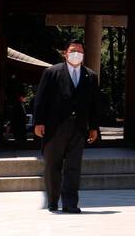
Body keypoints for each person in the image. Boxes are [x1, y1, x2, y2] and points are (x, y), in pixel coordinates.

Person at [33, 40, 102, 213]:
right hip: (54, 127)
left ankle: (70, 203)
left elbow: (94, 104)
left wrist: (94, 127)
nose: (76, 53)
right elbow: (41, 99)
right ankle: (53, 200)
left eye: (80, 51)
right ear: (65, 53)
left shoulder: (91, 76)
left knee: (73, 167)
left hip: (78, 128)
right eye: (73, 50)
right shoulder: (52, 72)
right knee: (52, 166)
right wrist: (39, 122)